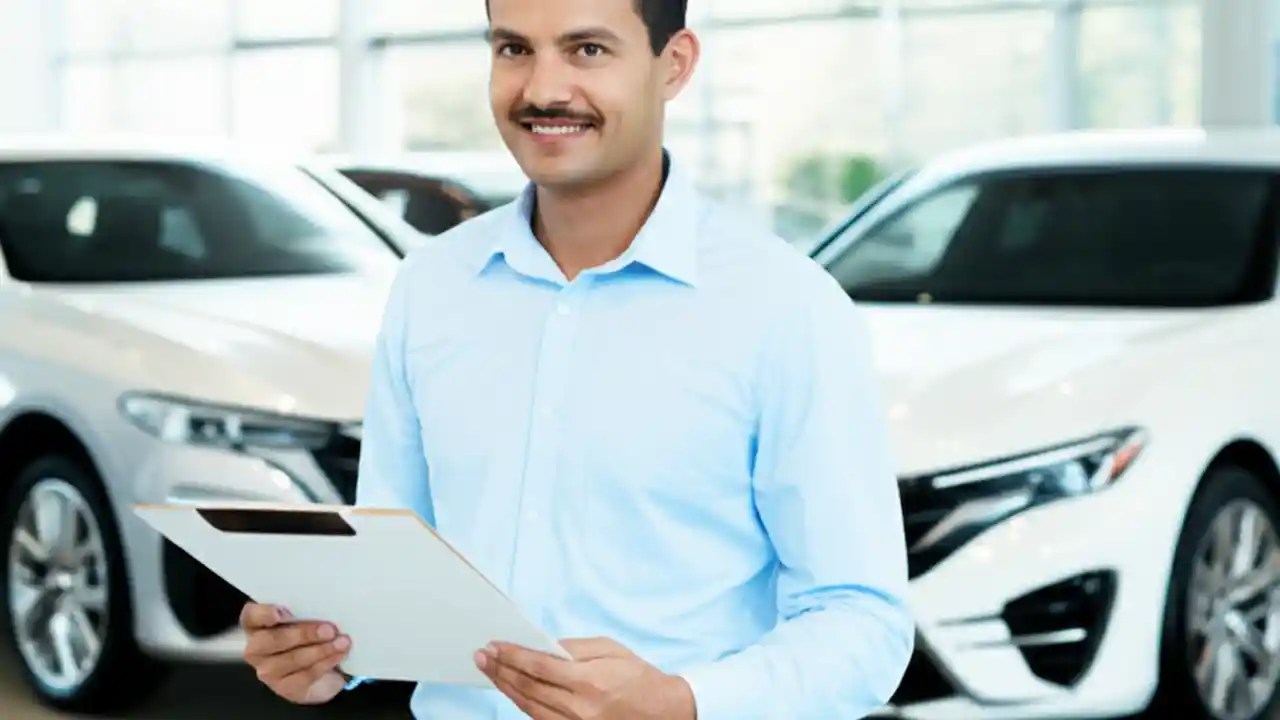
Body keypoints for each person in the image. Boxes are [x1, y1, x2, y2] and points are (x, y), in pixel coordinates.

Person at [238, 0, 914, 717]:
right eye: (514, 50)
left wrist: (682, 702)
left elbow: (863, 623)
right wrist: (329, 655)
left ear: (674, 64)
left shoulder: (786, 306)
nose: (543, 89)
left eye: (587, 50)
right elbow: (391, 564)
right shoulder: (432, 285)